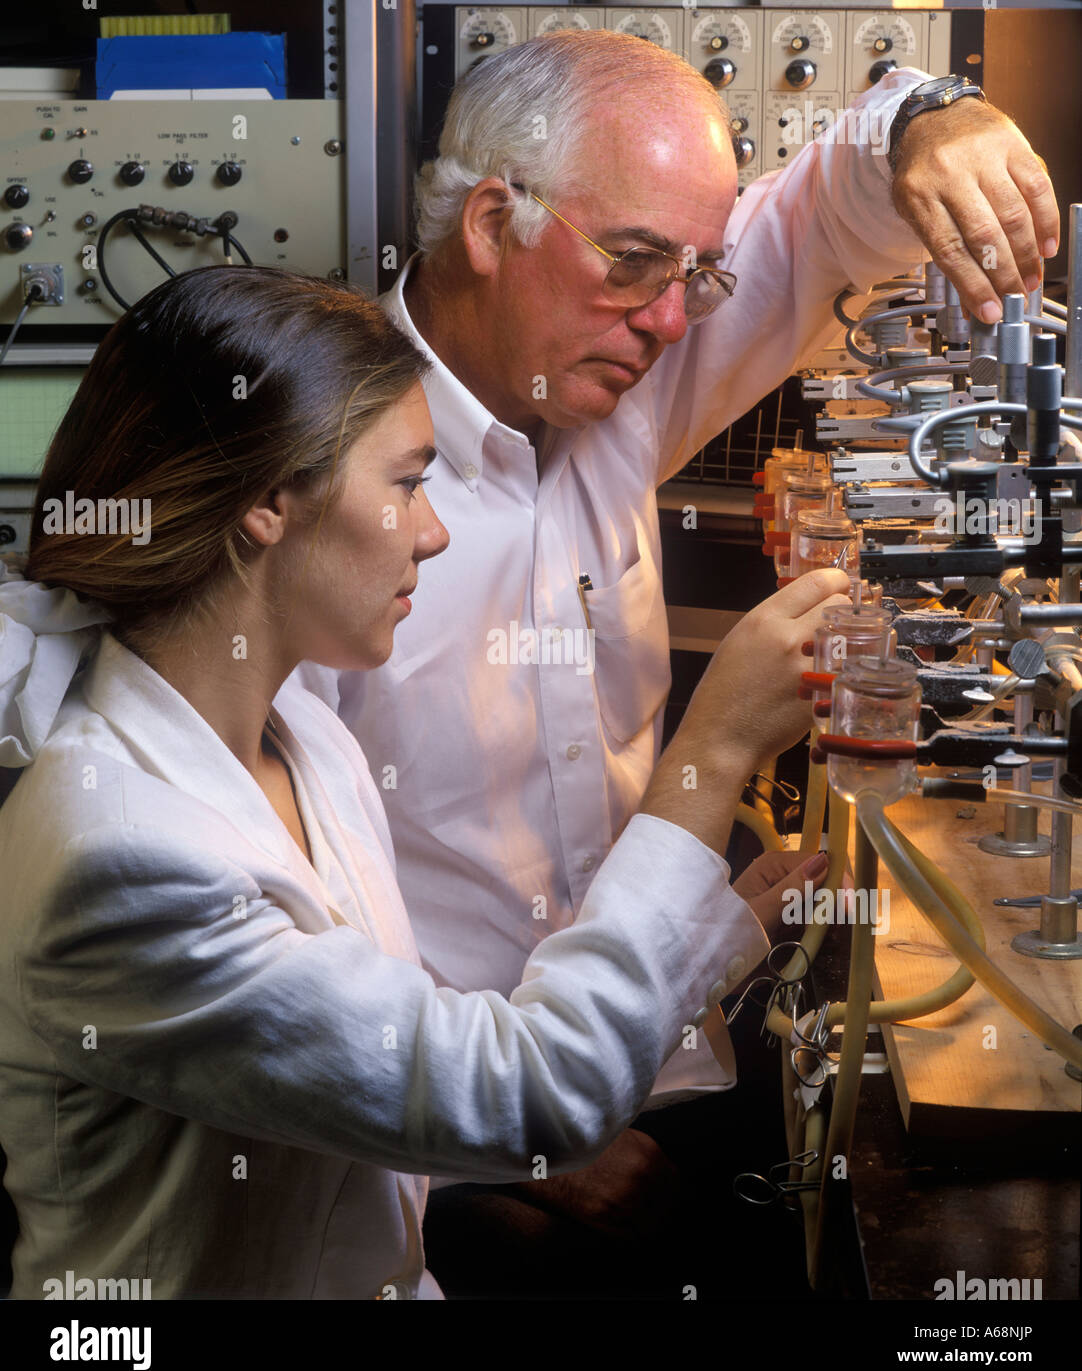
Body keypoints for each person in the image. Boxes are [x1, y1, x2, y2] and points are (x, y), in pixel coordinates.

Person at [290, 28, 1059, 1276]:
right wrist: (486, 1144)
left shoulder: (606, 355)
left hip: (657, 1060)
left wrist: (932, 116)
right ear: (490, 223)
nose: (666, 320)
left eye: (694, 275)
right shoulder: (317, 497)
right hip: (461, 1156)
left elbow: (816, 215)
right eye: (637, 261)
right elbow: (274, 964)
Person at [0, 264, 848, 1299]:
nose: (433, 531)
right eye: (405, 484)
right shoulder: (123, 860)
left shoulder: (296, 731)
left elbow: (375, 1050)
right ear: (269, 501)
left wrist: (707, 941)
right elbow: (531, 1099)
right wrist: (709, 755)